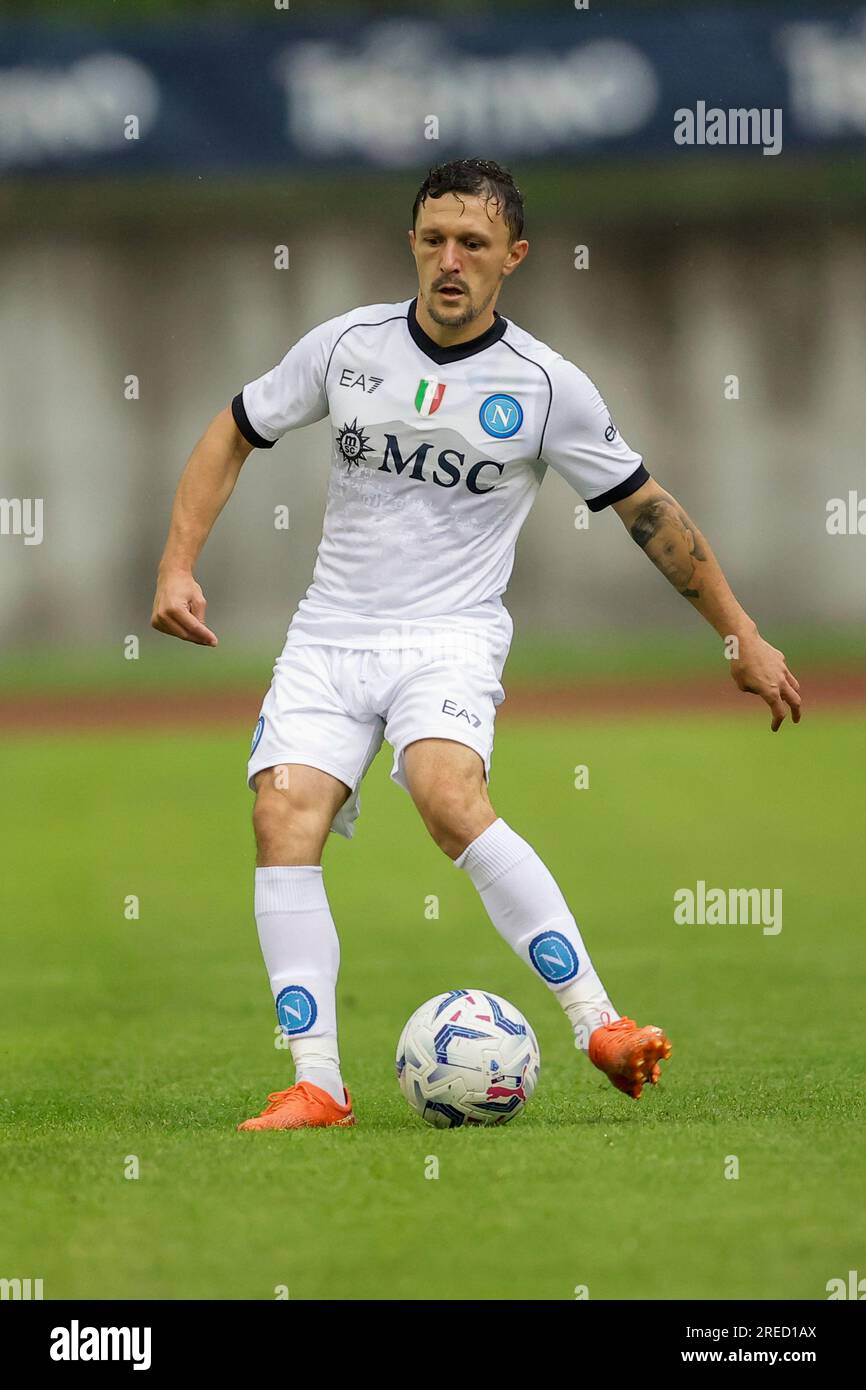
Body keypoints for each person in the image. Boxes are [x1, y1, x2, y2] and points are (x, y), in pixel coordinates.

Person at [151, 158, 801, 1131]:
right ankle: (317, 1083)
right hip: (328, 634)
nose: (448, 261)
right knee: (281, 819)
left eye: (472, 244)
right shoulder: (346, 346)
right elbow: (233, 429)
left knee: (447, 793)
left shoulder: (546, 388)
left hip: (447, 636)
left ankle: (599, 1024)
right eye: (431, 240)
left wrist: (739, 636)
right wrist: (176, 564)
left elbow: (647, 512)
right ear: (411, 244)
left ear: (513, 258)